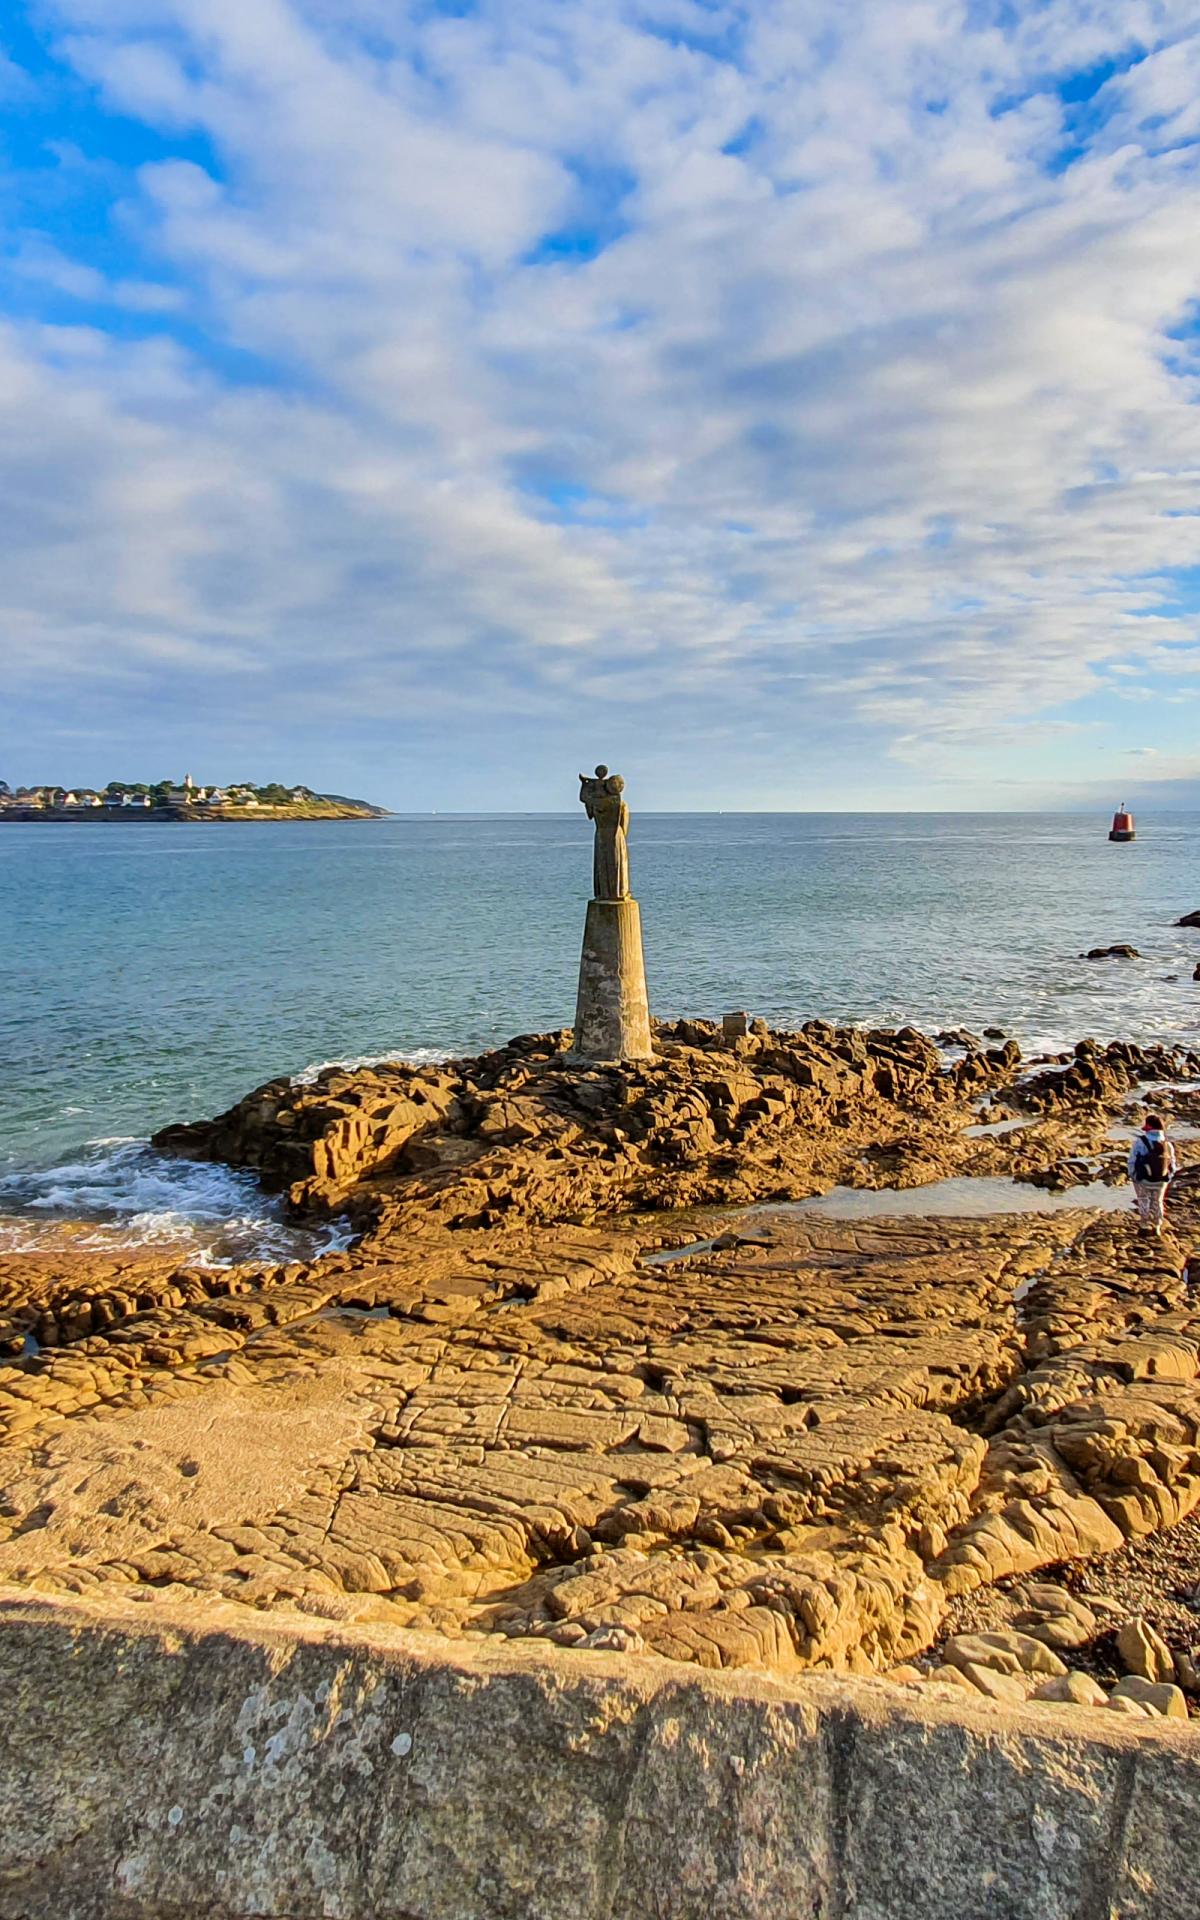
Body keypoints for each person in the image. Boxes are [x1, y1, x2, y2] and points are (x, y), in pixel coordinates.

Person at [1127, 1114, 1176, 1235]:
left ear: (1148, 1127)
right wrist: (1168, 1177)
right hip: (1161, 1179)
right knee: (1158, 1201)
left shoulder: (1140, 1142)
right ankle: (1158, 1226)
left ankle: (1144, 1225)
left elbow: (1132, 1161)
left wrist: (1133, 1175)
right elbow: (1173, 1165)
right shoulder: (1167, 1144)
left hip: (1144, 1179)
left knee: (1143, 1200)